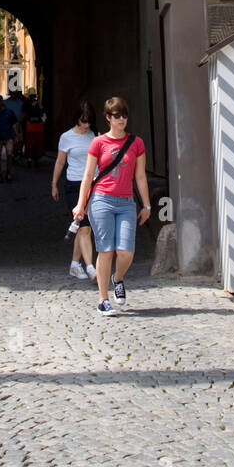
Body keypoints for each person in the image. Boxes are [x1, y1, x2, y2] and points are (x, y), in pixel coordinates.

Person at [72, 97, 151, 316]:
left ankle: (118, 278)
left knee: (125, 251)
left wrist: (147, 205)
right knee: (106, 251)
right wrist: (80, 205)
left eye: (124, 115)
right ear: (108, 117)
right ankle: (103, 299)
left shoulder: (136, 143)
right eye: (117, 115)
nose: (122, 119)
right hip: (101, 201)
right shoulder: (98, 143)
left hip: (126, 202)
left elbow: (141, 176)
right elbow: (87, 176)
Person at [52, 102, 97, 281]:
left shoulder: (94, 135)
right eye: (83, 121)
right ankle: (91, 267)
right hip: (74, 186)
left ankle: (74, 265)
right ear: (76, 119)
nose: (86, 125)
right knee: (84, 227)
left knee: (82, 228)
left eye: (88, 122)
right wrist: (54, 184)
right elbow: (60, 162)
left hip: (92, 185)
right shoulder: (66, 137)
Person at [0, 94, 18, 182]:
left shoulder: (9, 112)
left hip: (8, 136)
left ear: (1, 103)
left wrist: (16, 136)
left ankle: (8, 173)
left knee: (9, 154)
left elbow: (14, 124)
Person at [23, 94, 46, 167]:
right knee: (31, 142)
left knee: (36, 142)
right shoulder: (26, 104)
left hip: (36, 126)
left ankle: (34, 158)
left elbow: (42, 113)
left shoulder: (37, 104)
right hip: (31, 126)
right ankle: (31, 158)